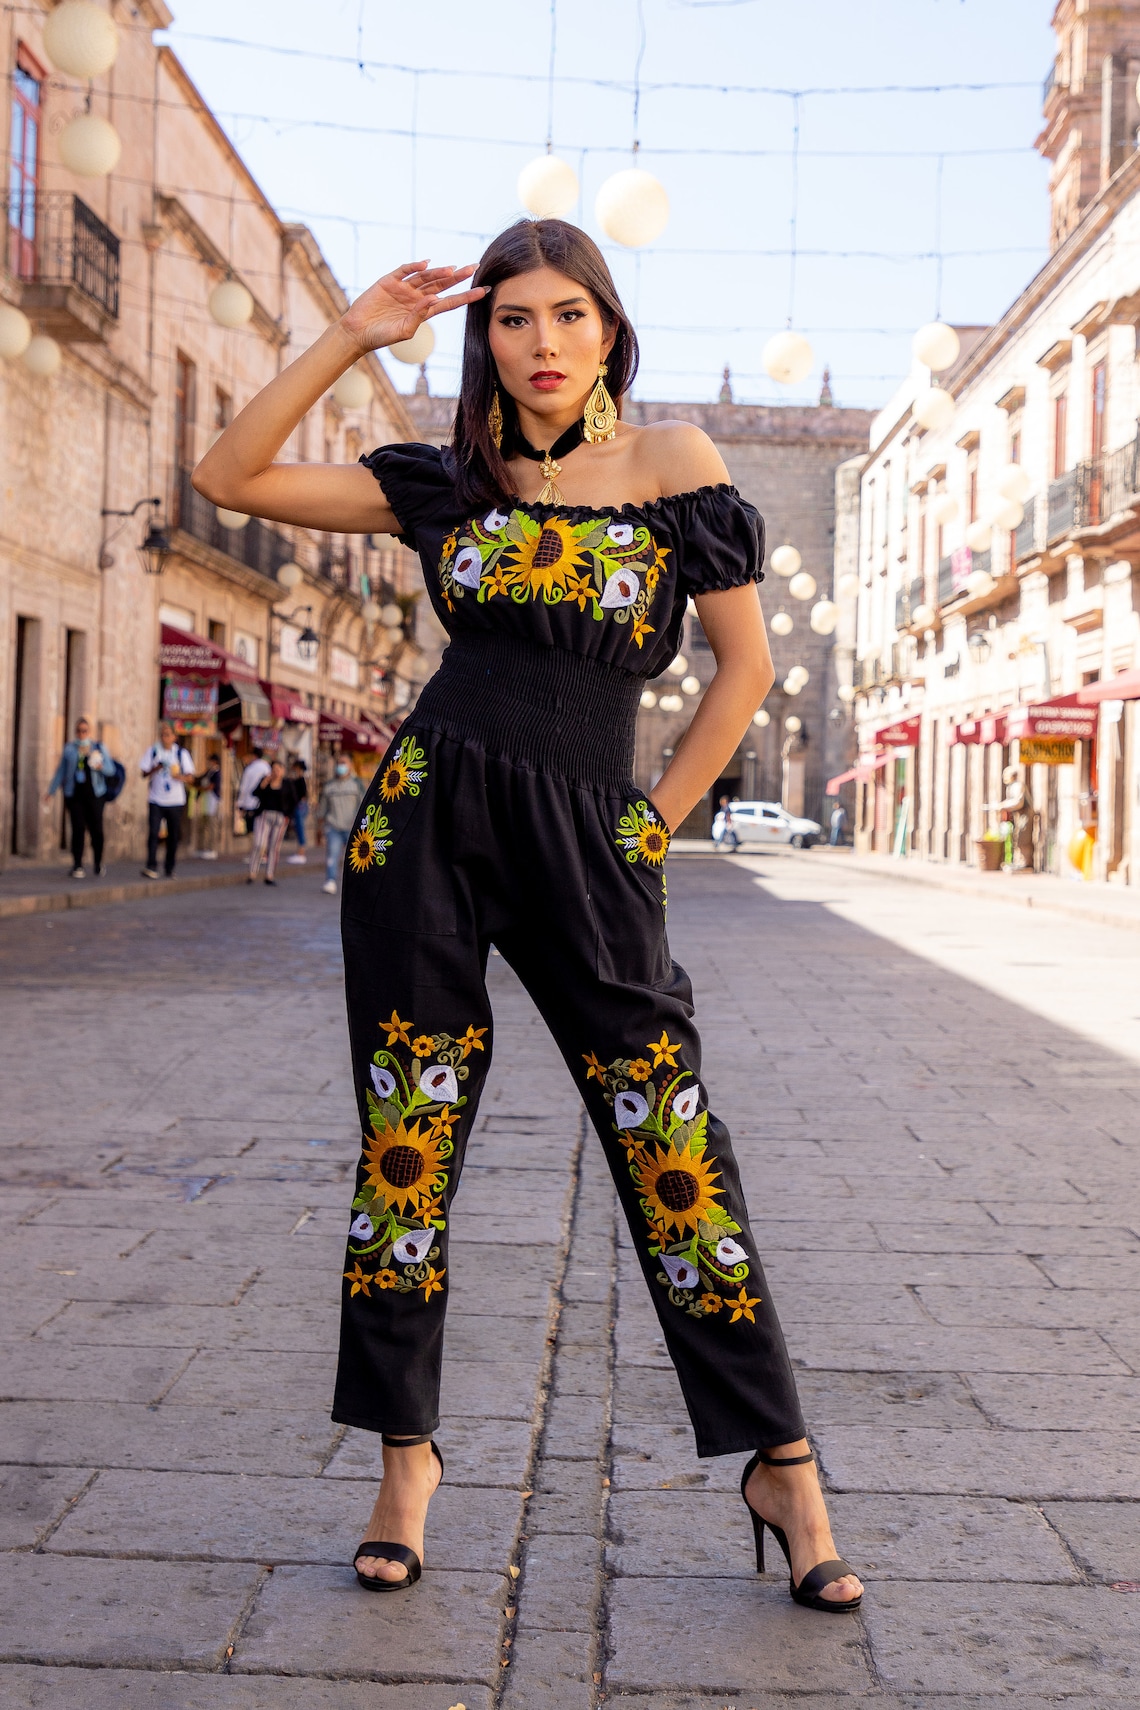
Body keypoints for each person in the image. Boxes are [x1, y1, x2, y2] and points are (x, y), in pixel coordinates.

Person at [193, 221, 862, 1613]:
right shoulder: (445, 483)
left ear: (611, 331)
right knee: (408, 1150)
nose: (542, 342)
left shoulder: (679, 468)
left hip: (589, 835)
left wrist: (650, 825)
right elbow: (226, 472)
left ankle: (781, 1460)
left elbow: (742, 672)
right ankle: (405, 1461)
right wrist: (350, 334)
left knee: (669, 1134)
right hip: (425, 822)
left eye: (570, 315)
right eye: (511, 319)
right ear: (482, 336)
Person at [45, 715, 114, 878]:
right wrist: (51, 790)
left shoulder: (98, 748)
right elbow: (61, 771)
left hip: (95, 794)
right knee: (77, 829)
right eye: (79, 731)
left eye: (85, 731)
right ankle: (77, 864)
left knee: (96, 829)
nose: (82, 734)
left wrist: (99, 764)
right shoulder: (70, 749)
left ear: (89, 732)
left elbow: (110, 770)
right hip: (74, 794)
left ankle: (97, 862)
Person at [139, 723, 195, 879]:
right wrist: (155, 768)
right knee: (153, 832)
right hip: (156, 799)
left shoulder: (181, 754)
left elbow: (191, 777)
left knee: (173, 835)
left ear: (174, 737)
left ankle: (169, 867)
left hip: (175, 801)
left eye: (168, 734)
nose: (165, 737)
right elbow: (143, 773)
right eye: (163, 734)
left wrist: (180, 777)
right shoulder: (153, 751)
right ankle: (151, 865)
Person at [317, 758, 366, 895]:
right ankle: (330, 880)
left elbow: (364, 805)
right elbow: (322, 808)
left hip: (352, 828)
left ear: (350, 766)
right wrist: (320, 828)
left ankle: (356, 884)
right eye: (339, 763)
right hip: (333, 826)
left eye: (344, 763)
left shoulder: (356, 785)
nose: (341, 766)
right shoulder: (329, 786)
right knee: (332, 855)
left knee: (356, 858)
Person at [247, 758, 295, 886]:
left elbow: (293, 800)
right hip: (264, 814)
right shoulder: (266, 781)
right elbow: (255, 793)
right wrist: (264, 783)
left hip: (280, 817)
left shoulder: (287, 784)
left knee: (274, 847)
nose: (276, 772)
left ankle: (269, 874)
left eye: (278, 770)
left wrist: (288, 816)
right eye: (274, 770)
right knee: (259, 844)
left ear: (283, 771)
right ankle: (252, 872)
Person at [236, 747, 271, 834]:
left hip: (249, 803)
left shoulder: (250, 769)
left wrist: (240, 803)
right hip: (263, 804)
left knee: (250, 829)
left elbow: (244, 787)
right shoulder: (267, 767)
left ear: (253, 756)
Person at [195, 754, 222, 859]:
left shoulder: (217, 773)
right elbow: (199, 779)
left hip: (212, 801)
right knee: (203, 825)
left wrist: (202, 789)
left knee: (211, 826)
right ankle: (203, 848)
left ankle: (212, 849)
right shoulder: (209, 772)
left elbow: (212, 786)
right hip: (205, 802)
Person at [284, 757, 309, 864]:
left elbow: (302, 795)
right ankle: (300, 851)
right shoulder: (298, 779)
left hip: (299, 806)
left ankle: (301, 852)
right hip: (299, 806)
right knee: (299, 828)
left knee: (300, 828)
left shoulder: (300, 780)